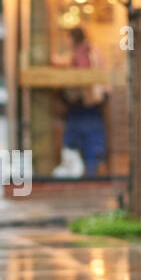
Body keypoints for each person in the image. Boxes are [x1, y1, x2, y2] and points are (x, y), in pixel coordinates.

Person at [58, 27, 107, 176]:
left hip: (85, 104)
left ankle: (88, 176)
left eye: (69, 38)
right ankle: (90, 174)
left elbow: (81, 72)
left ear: (73, 38)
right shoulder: (90, 49)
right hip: (89, 105)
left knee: (81, 141)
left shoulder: (84, 51)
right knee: (89, 142)